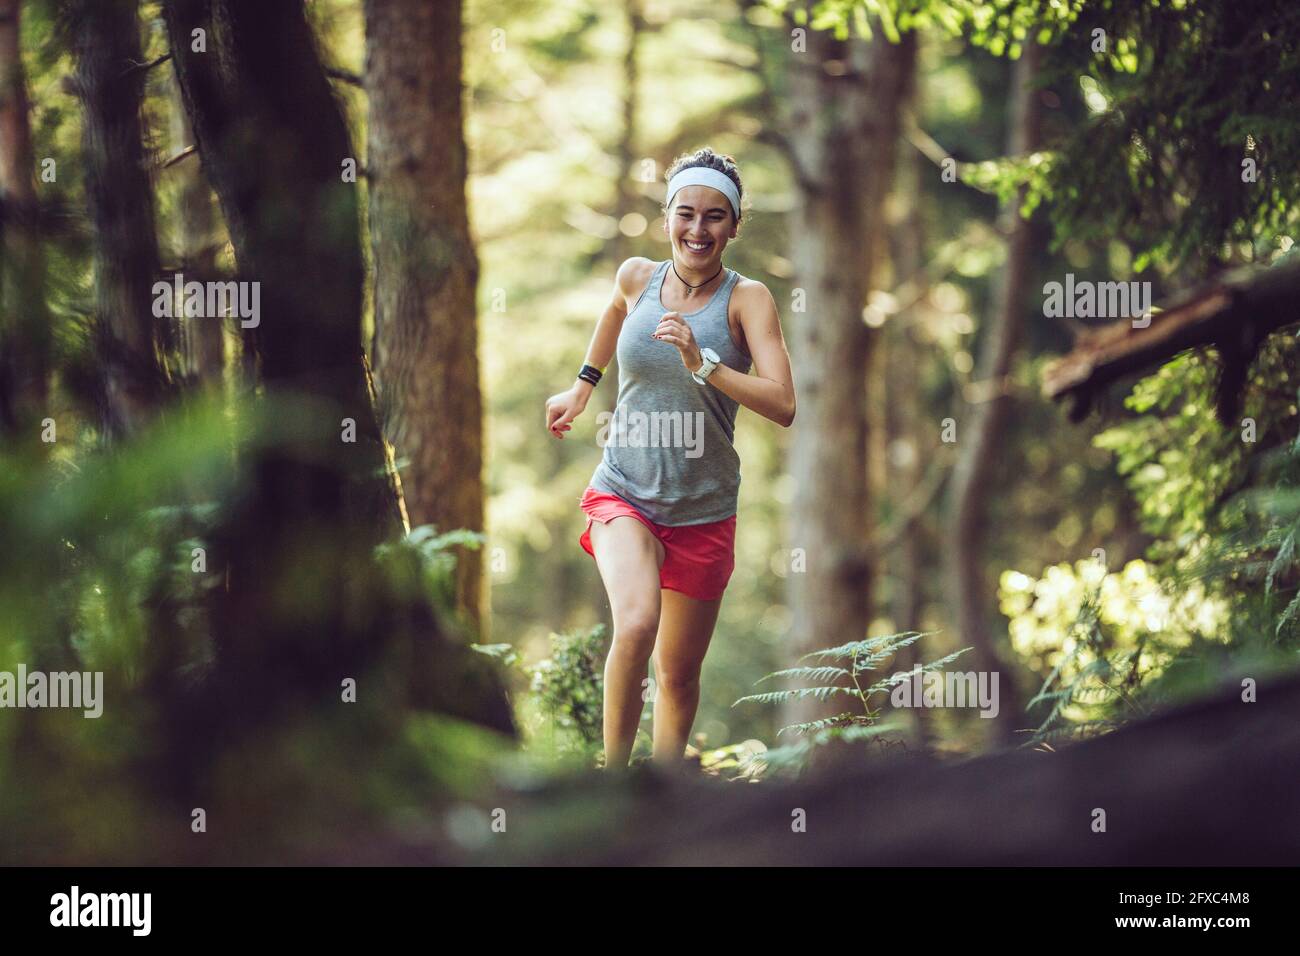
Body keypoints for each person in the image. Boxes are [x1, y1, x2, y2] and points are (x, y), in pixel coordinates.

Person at [544, 147, 795, 772]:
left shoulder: (748, 300)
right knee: (635, 625)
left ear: (735, 226)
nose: (698, 229)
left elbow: (784, 402)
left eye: (715, 217)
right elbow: (612, 312)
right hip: (623, 489)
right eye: (686, 214)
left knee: (678, 676)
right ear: (666, 219)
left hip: (703, 509)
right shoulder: (637, 277)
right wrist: (581, 386)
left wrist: (704, 364)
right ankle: (615, 786)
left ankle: (662, 794)